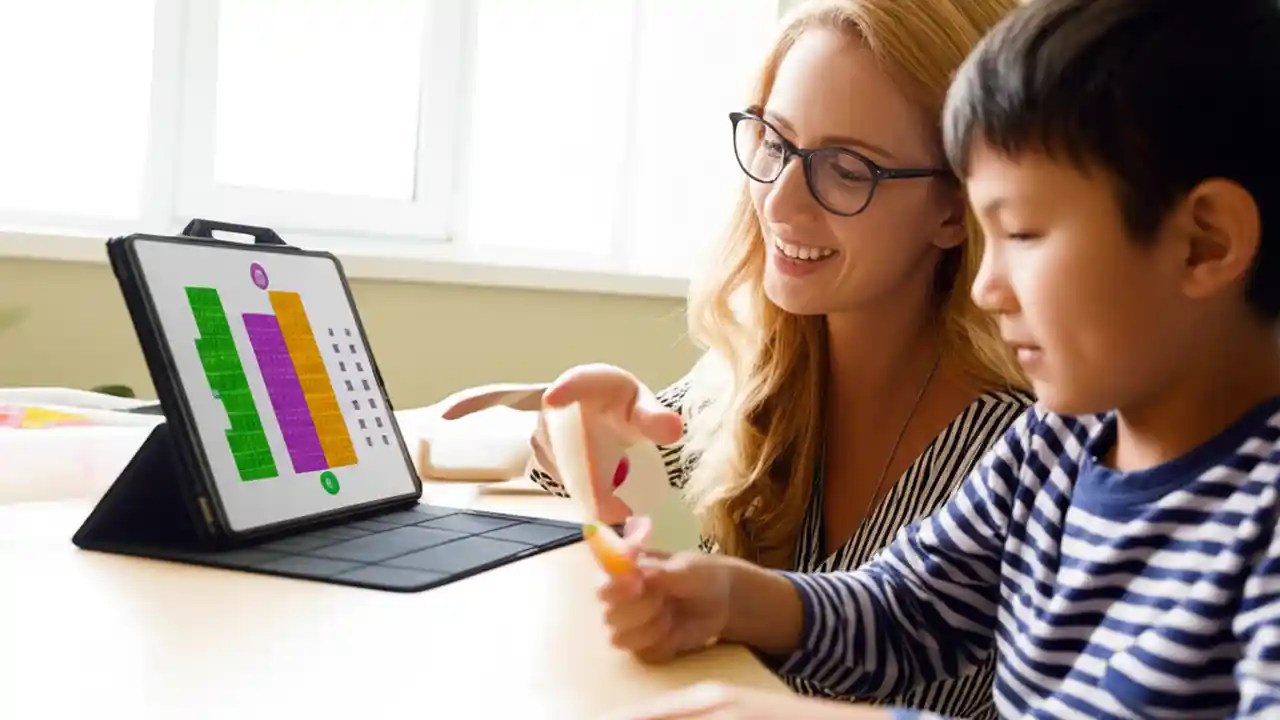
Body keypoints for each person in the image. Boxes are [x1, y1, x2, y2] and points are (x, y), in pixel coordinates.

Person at [593, 0, 1280, 717]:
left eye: (1023, 233)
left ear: (1205, 244)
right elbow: (905, 611)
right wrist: (731, 597)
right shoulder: (1054, 444)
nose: (987, 286)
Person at [519, 0, 1032, 717]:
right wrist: (594, 440)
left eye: (847, 168)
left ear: (956, 210)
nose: (782, 201)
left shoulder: (1023, 449)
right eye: (775, 142)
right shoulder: (761, 368)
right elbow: (634, 512)